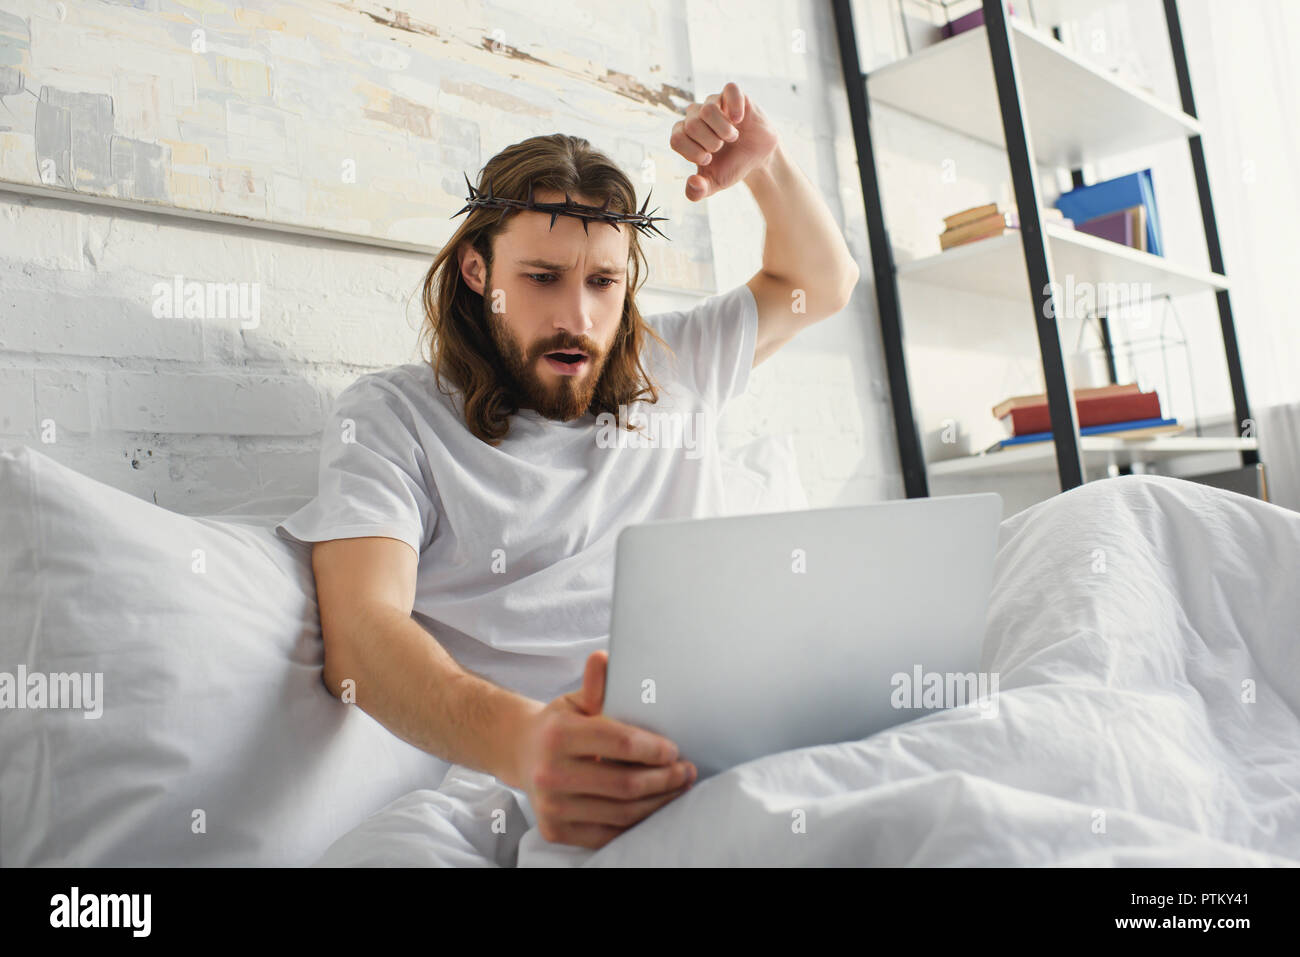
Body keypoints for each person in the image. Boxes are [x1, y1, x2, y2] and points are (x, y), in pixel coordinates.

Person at [276, 82, 859, 850]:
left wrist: (765, 166)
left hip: (744, 726)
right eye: (542, 278)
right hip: (534, 774)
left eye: (602, 282)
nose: (577, 318)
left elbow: (821, 285)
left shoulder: (673, 364)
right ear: (479, 272)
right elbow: (361, 633)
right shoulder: (395, 416)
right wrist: (529, 744)